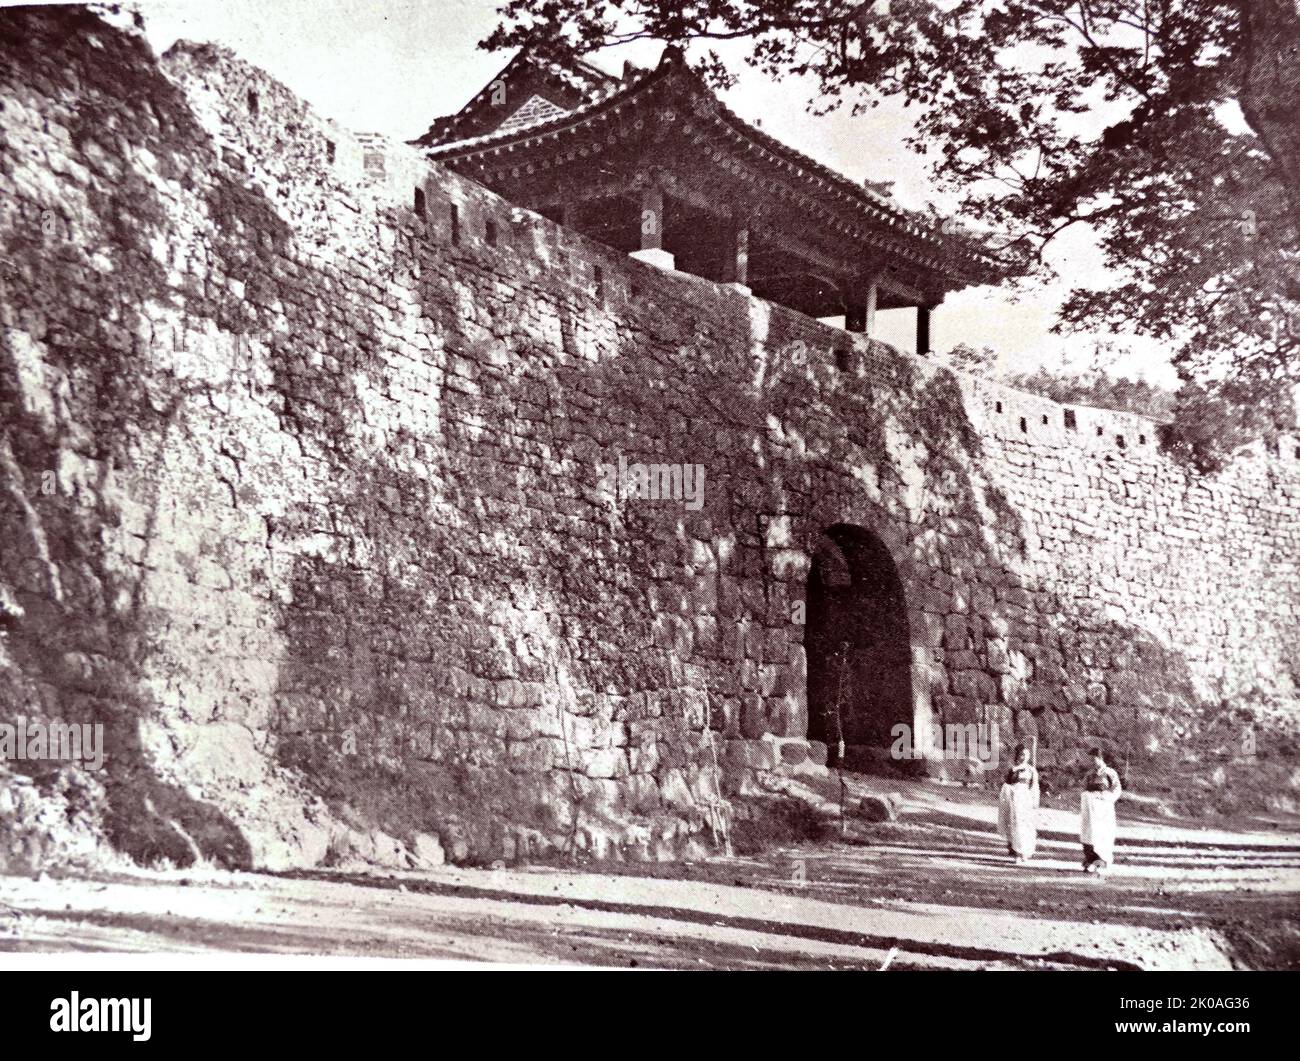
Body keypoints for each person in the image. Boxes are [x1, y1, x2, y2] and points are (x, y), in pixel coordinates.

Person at [1079, 746, 1122, 873]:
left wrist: (1105, 797)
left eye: (1094, 759)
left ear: (1100, 758)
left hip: (1103, 809)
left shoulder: (1110, 773)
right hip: (1090, 808)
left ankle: (1100, 861)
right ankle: (1090, 859)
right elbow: (1084, 788)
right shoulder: (1090, 774)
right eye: (1090, 760)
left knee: (1101, 834)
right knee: (1088, 832)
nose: (1092, 762)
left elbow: (1117, 790)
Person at [997, 744, 1040, 862]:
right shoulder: (1012, 769)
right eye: (1021, 755)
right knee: (1015, 825)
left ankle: (1025, 852)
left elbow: (1034, 788)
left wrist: (1034, 802)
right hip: (1014, 800)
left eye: (1026, 755)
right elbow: (1006, 786)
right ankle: (1016, 852)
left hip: (1026, 801)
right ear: (1017, 755)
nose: (1024, 757)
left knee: (1026, 826)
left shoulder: (1032, 771)